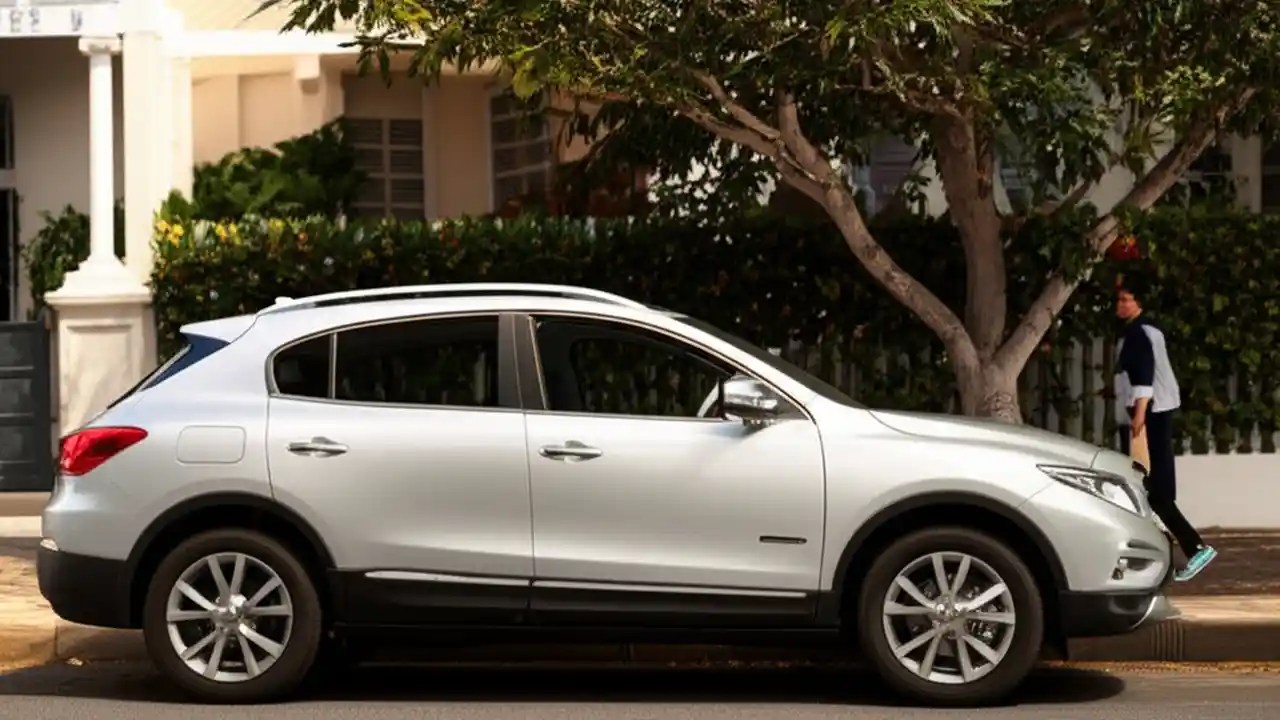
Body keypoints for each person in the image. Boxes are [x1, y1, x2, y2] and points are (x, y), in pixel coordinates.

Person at [1114, 273, 1216, 581]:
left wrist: (1138, 415)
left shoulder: (1139, 333)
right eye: (1118, 300)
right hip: (1153, 411)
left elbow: (1144, 376)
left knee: (1151, 489)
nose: (1119, 305)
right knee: (1149, 488)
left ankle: (1195, 547)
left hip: (1149, 414)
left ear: (1138, 303)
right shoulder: (1147, 329)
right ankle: (1169, 555)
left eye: (1125, 300)